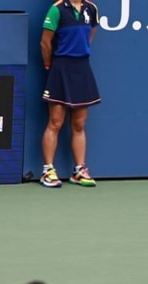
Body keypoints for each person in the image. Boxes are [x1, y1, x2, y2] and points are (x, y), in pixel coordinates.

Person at [39, 0, 101, 189]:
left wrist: (80, 52)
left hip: (82, 68)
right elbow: (45, 42)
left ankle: (79, 171)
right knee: (55, 122)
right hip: (60, 68)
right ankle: (48, 170)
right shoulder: (56, 9)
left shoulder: (92, 8)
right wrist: (50, 65)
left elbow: (91, 34)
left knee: (79, 123)